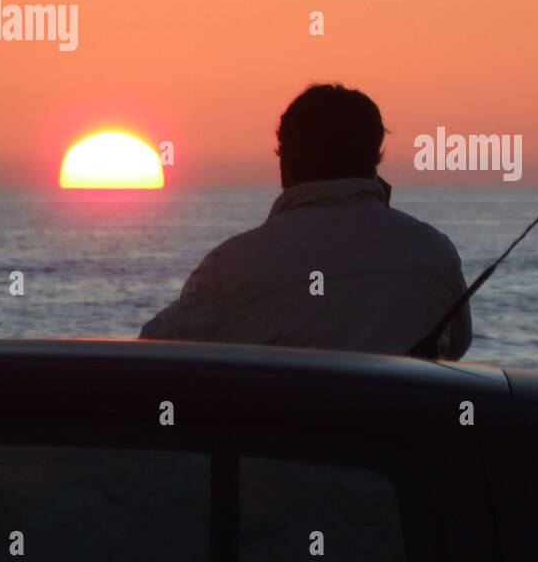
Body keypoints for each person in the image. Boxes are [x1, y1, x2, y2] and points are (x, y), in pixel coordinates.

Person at [140, 83, 471, 358]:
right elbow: (457, 346)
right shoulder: (434, 252)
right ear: (374, 159)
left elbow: (152, 356)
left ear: (285, 163)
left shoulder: (233, 267)